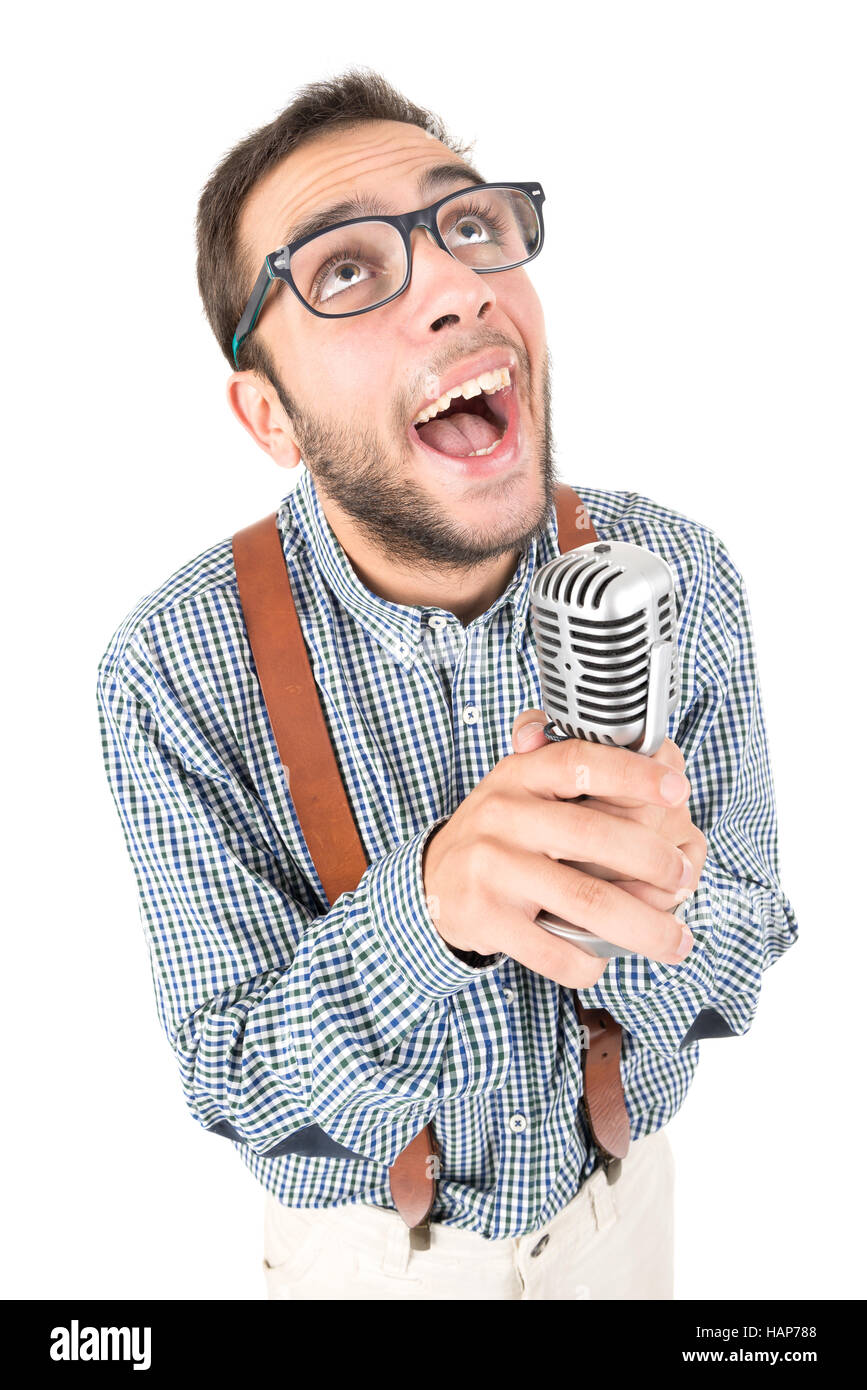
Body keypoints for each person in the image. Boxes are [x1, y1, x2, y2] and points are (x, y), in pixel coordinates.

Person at [95, 67, 798, 1300]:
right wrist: (430, 917)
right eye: (349, 270)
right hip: (370, 1263)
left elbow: (744, 953)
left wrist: (644, 891)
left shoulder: (678, 571)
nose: (458, 284)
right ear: (272, 417)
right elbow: (236, 1079)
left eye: (470, 226)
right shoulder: (170, 667)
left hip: (621, 1219)